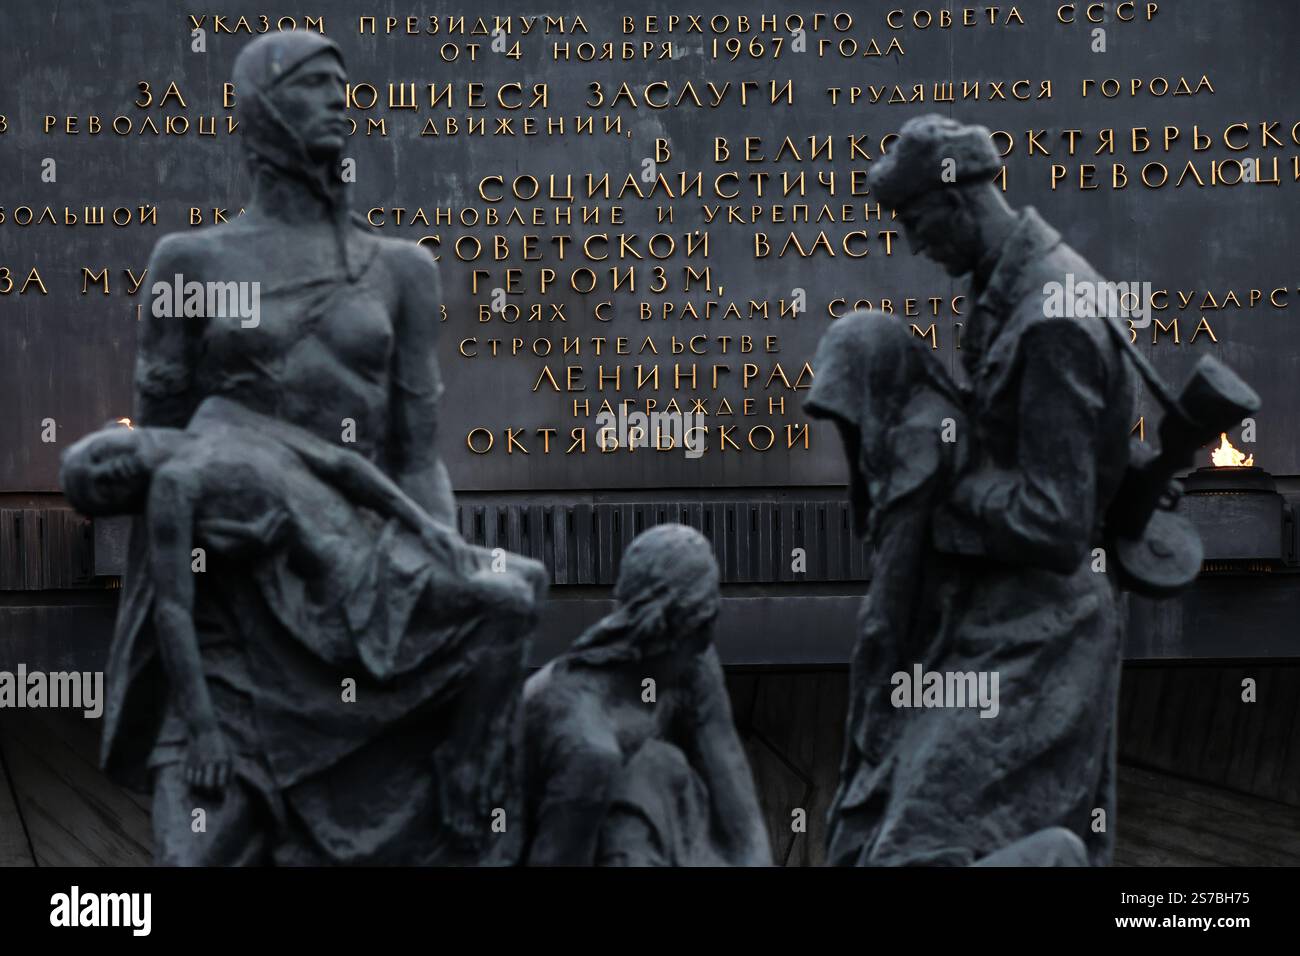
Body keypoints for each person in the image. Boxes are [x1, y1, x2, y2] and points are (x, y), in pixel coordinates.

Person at [101, 32, 529, 865]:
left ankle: (465, 773)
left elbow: (413, 453)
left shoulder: (398, 269)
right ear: (261, 109)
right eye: (313, 87)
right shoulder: (188, 261)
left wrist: (441, 555)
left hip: (357, 566)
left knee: (507, 602)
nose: (340, 102)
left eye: (343, 87)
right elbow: (159, 445)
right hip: (235, 601)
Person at [813, 114, 1138, 866]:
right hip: (994, 616)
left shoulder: (1051, 313)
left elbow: (1057, 524)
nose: (913, 242)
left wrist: (946, 486)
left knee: (917, 848)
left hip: (1040, 635)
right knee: (887, 826)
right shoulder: (1003, 288)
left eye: (917, 220)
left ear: (957, 197)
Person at [522, 524, 771, 866]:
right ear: (687, 629)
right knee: (646, 780)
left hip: (655, 836)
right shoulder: (587, 744)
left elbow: (742, 823)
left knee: (662, 766)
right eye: (708, 622)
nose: (706, 640)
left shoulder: (692, 665)